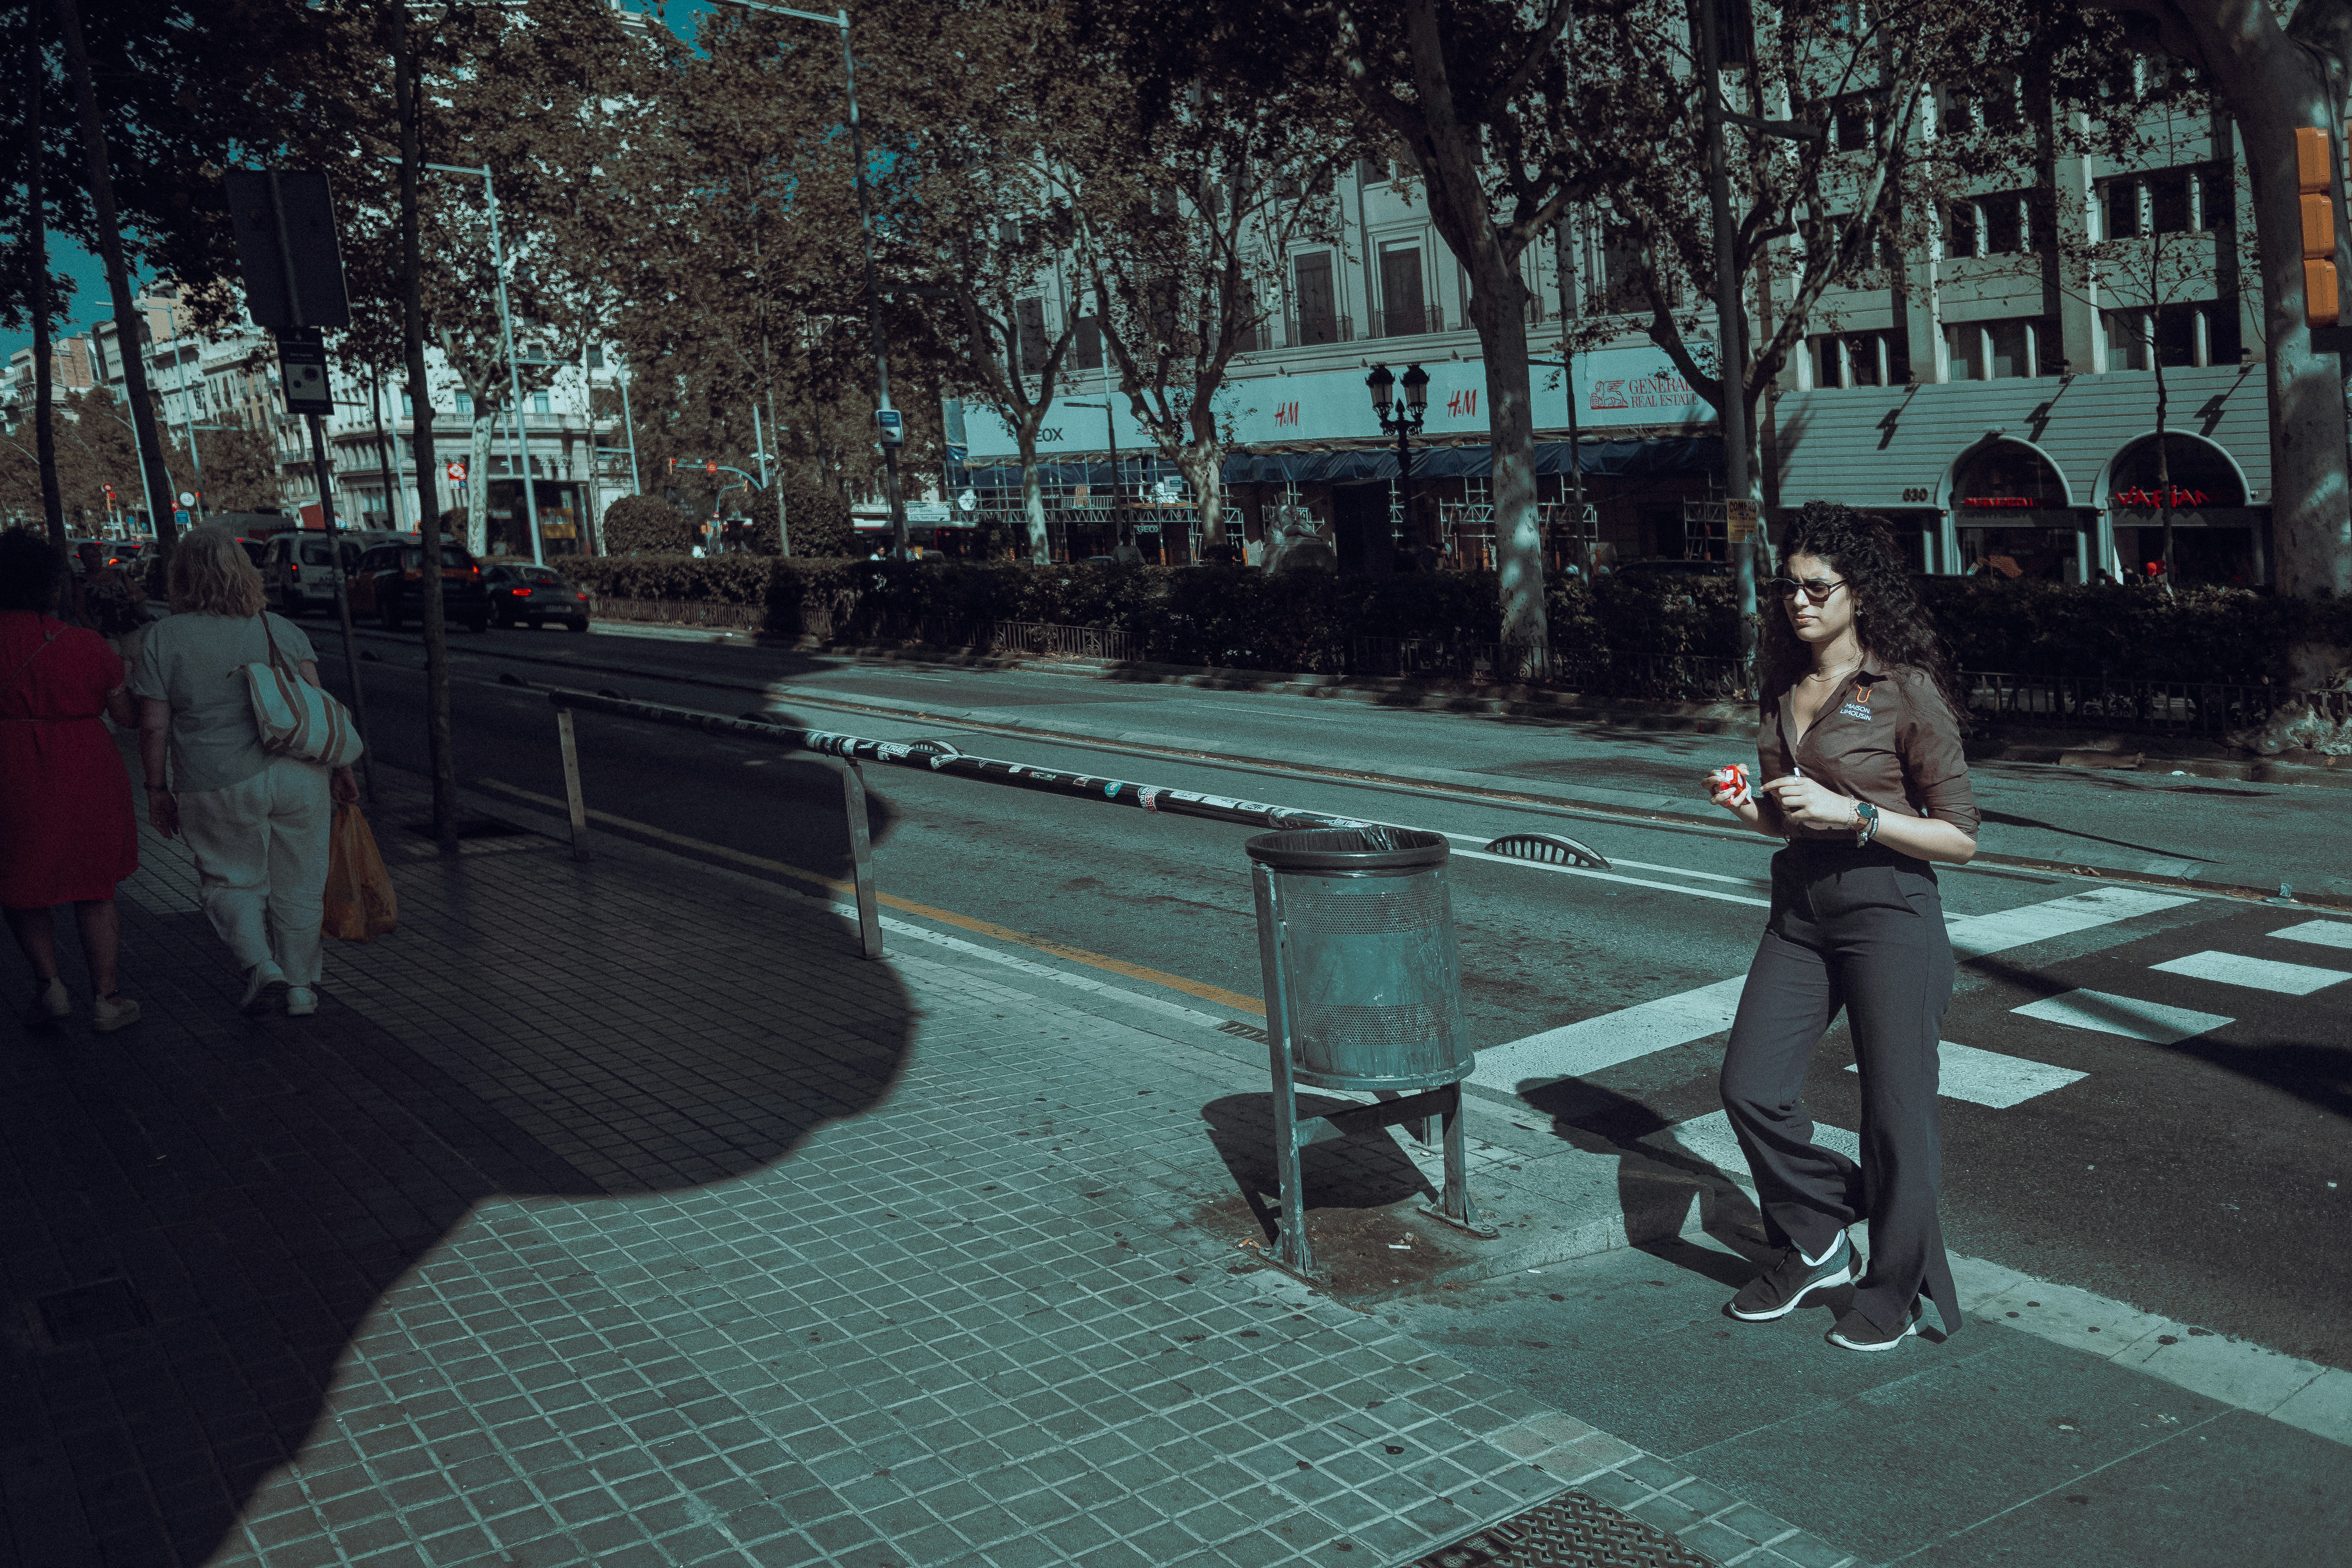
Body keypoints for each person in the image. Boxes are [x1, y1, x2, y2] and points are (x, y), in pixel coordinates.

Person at [1701, 501, 1980, 1353]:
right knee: (1748, 1086)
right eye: (1789, 586)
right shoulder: (1785, 687)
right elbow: (1794, 820)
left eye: (1818, 587)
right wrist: (1752, 809)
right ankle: (1821, 1238)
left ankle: (1891, 1287)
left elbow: (1961, 837)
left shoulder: (1902, 689)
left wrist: (1854, 815)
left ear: (1859, 594)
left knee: (1895, 1116)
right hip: (1801, 909)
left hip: (1890, 911)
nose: (1800, 602)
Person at [132, 528, 359, 1018]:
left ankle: (261, 965)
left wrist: (156, 789)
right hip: (300, 774)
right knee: (300, 883)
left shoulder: (164, 638)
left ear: (183, 577)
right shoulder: (280, 628)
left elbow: (153, 727)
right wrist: (341, 767)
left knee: (232, 881)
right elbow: (319, 707)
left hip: (216, 780)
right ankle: (302, 989)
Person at [0, 530, 142, 1031]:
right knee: (94, 886)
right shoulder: (86, 645)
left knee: (20, 879)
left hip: (11, 765)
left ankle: (50, 986)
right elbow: (125, 717)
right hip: (86, 765)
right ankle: (108, 998)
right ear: (50, 588)